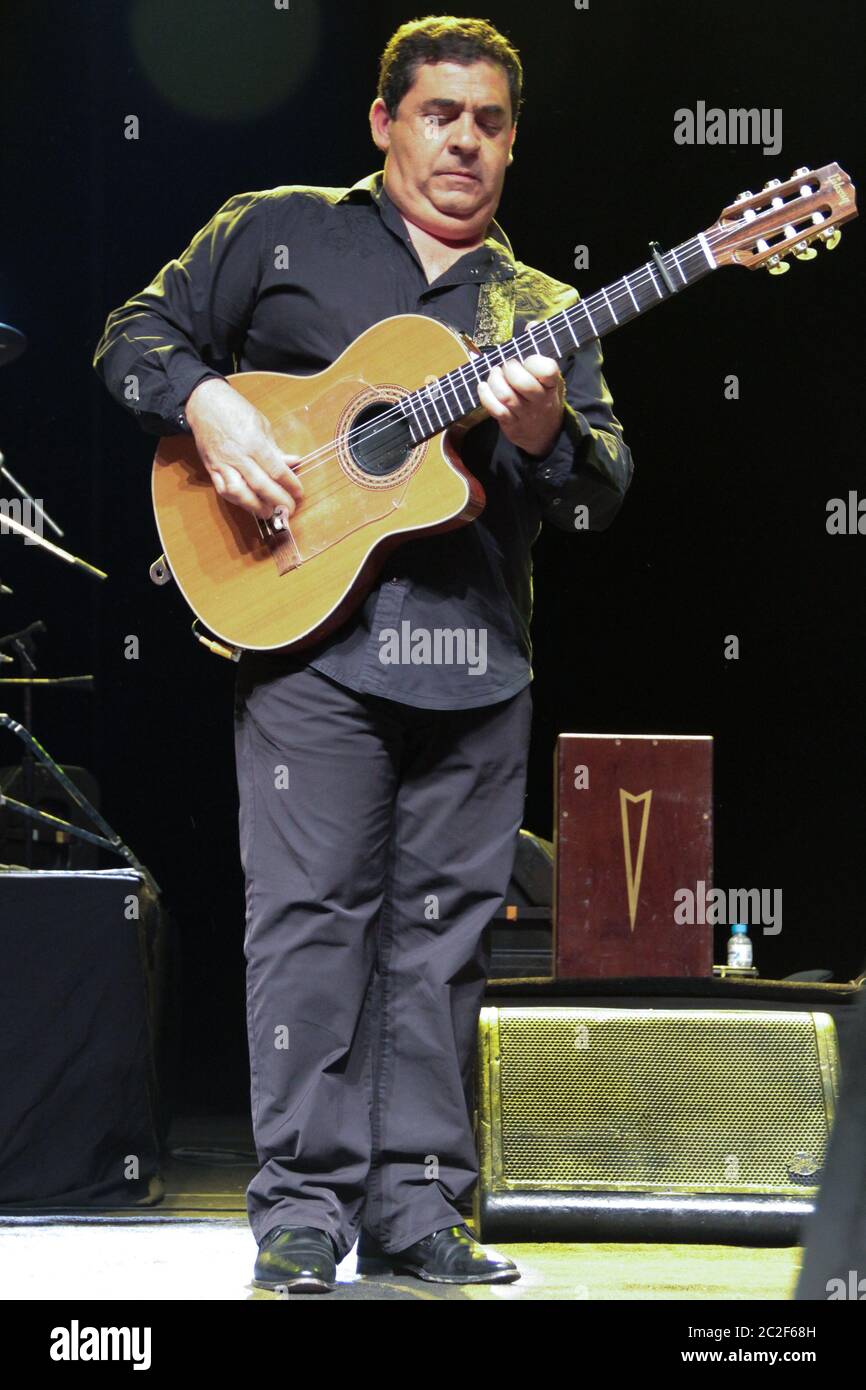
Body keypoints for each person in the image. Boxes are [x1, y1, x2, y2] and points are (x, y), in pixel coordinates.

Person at [93, 15, 634, 1293]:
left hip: (477, 665)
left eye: (490, 121)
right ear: (384, 123)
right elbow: (130, 340)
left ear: (511, 143)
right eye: (439, 113)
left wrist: (551, 429)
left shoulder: (537, 308)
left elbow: (601, 490)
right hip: (309, 649)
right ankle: (299, 1213)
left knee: (441, 937)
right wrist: (209, 399)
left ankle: (419, 1209)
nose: (464, 140)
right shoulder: (277, 230)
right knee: (307, 926)